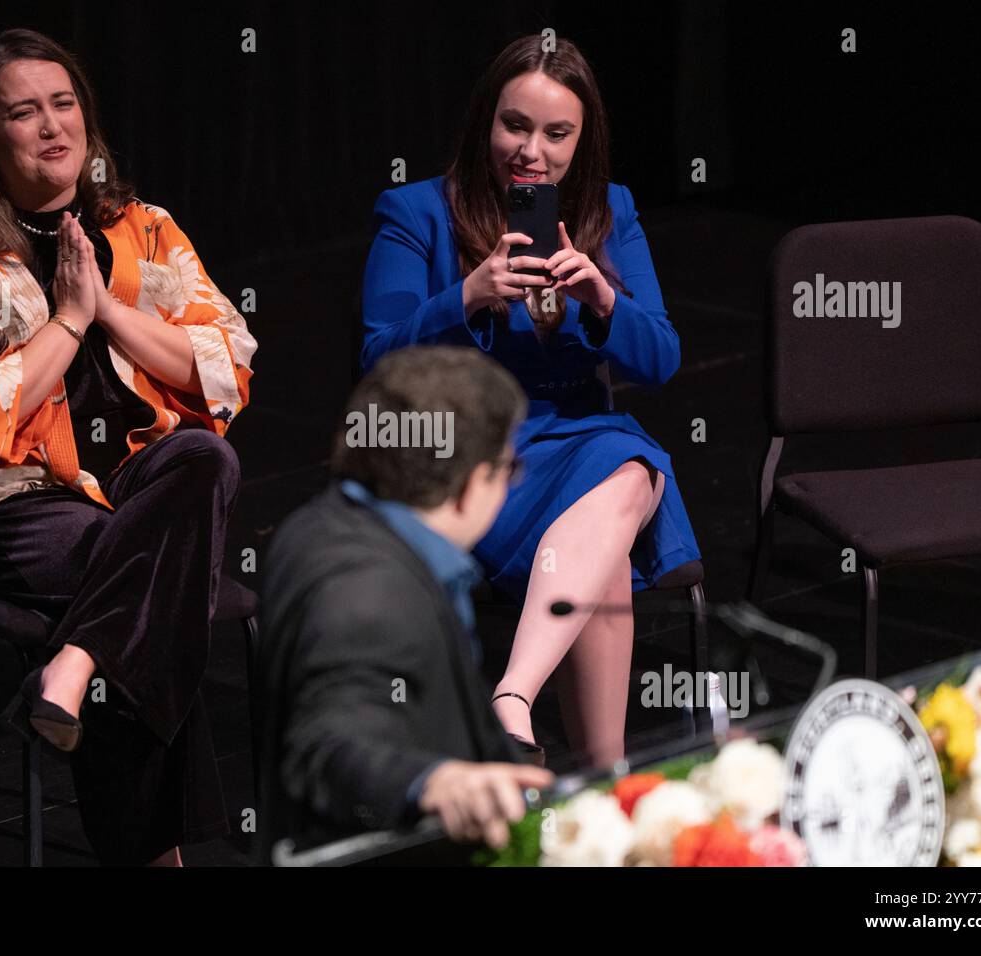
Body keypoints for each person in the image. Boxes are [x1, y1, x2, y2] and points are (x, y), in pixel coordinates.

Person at [0, 28, 257, 866]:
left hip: (139, 479)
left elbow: (225, 364)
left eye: (63, 104)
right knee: (149, 579)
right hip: (19, 504)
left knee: (207, 460)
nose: (52, 126)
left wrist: (104, 309)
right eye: (23, 114)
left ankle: (70, 664)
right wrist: (67, 318)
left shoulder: (144, 230)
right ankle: (158, 859)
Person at [360, 35, 701, 767]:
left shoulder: (611, 212)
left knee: (627, 465)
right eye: (515, 125)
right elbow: (376, 363)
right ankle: (603, 784)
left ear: (583, 140)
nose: (532, 152)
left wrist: (605, 300)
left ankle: (513, 701)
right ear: (486, 122)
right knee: (620, 507)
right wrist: (465, 299)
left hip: (577, 440)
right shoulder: (416, 211)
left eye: (556, 133)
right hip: (459, 458)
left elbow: (664, 358)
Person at [257, 346, 555, 861]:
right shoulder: (369, 592)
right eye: (508, 468)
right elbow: (330, 741)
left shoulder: (320, 523)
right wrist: (431, 781)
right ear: (469, 486)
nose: (512, 483)